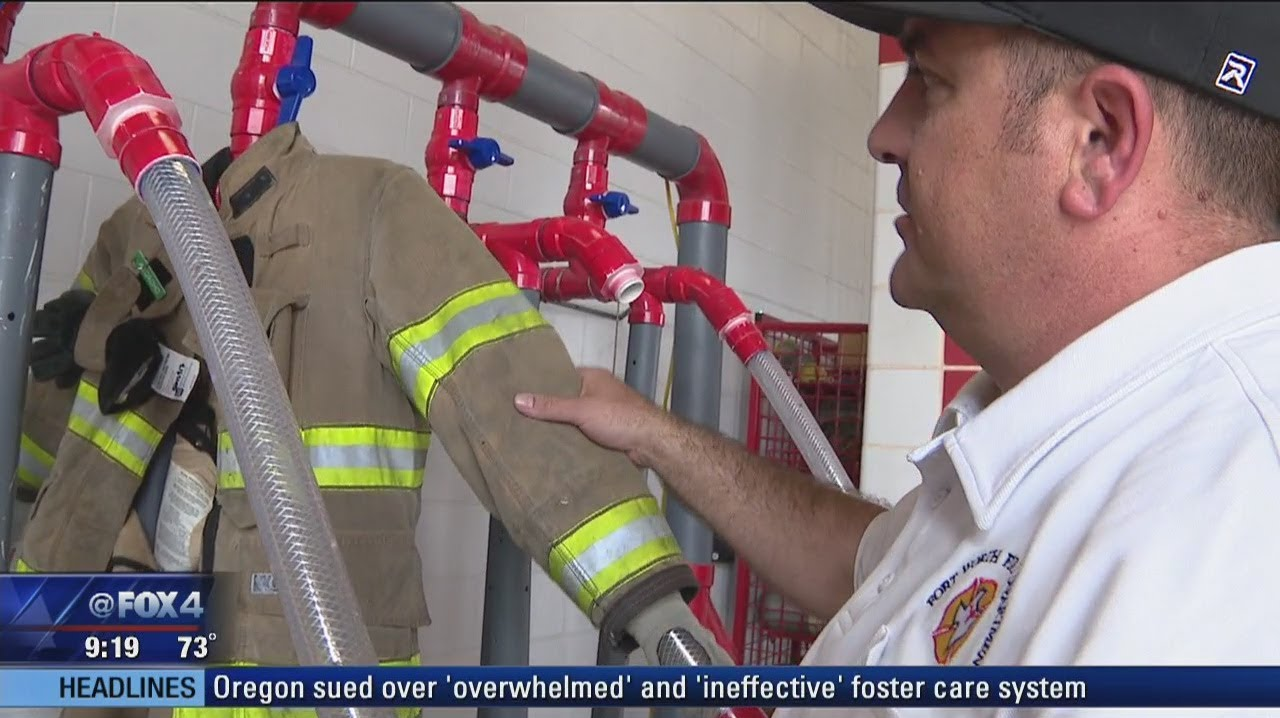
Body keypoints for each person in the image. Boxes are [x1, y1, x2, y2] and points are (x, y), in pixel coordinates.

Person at [514, 0, 1280, 710]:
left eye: (931, 80)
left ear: (1099, 141)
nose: (885, 134)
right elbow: (876, 565)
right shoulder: (1101, 419)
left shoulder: (1223, 557)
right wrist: (650, 430)